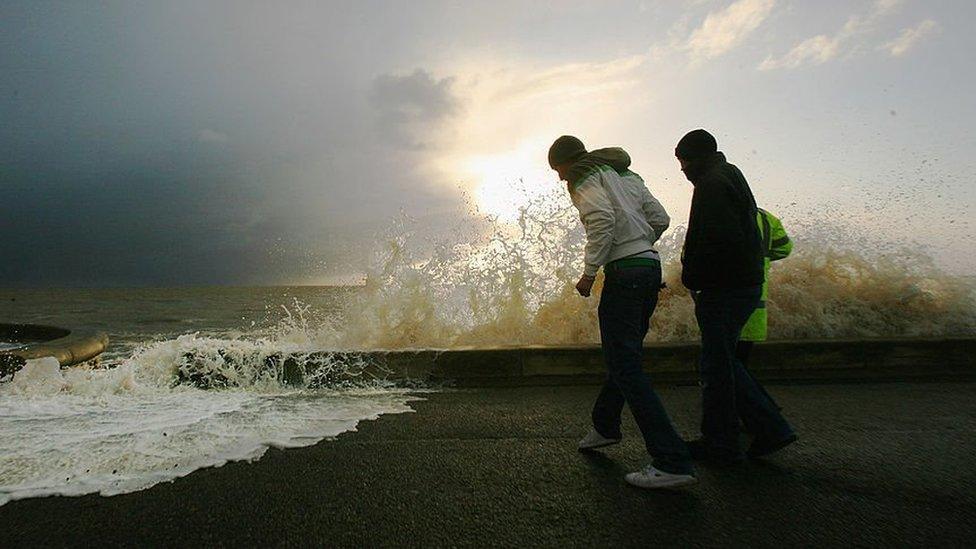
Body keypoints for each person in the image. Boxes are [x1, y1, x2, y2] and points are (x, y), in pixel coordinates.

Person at [548, 135, 696, 489]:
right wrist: (640, 244)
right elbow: (660, 218)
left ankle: (671, 460)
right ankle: (605, 426)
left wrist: (589, 273)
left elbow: (602, 219)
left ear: (568, 162)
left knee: (626, 365)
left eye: (558, 170)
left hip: (625, 273)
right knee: (624, 357)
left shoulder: (583, 177)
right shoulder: (624, 174)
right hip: (650, 267)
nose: (560, 178)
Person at [675, 129, 797, 464]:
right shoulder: (730, 174)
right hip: (744, 285)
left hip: (724, 289)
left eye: (682, 162)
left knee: (716, 367)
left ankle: (721, 443)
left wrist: (695, 279)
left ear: (694, 157)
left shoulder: (712, 184)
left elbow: (718, 240)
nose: (682, 170)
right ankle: (769, 429)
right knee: (724, 363)